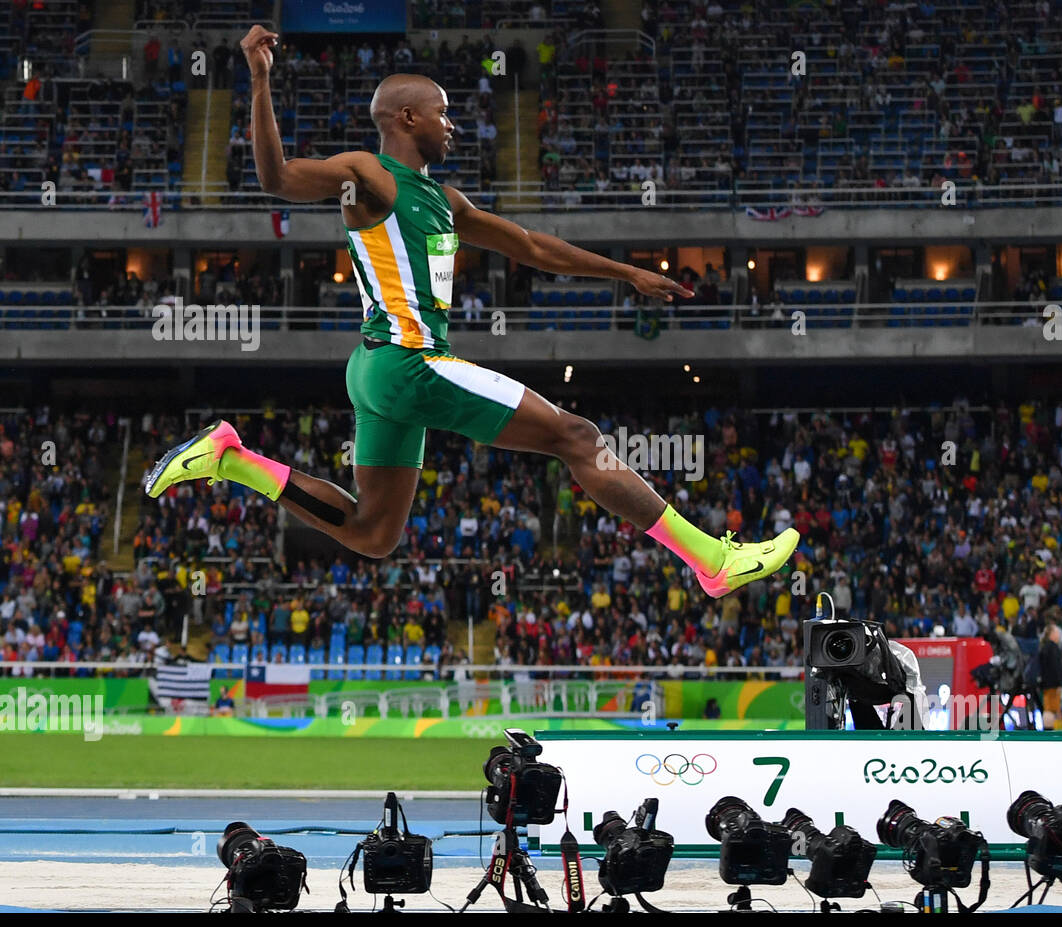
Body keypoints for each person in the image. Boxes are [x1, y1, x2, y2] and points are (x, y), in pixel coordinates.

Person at [145, 26, 799, 601]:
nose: (453, 124)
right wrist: (259, 82)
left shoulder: (445, 200)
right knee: (576, 436)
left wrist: (623, 272)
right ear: (406, 117)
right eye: (444, 113)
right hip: (409, 362)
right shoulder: (368, 175)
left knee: (372, 533)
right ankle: (711, 559)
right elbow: (277, 178)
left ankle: (231, 459)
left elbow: (534, 247)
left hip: (378, 372)